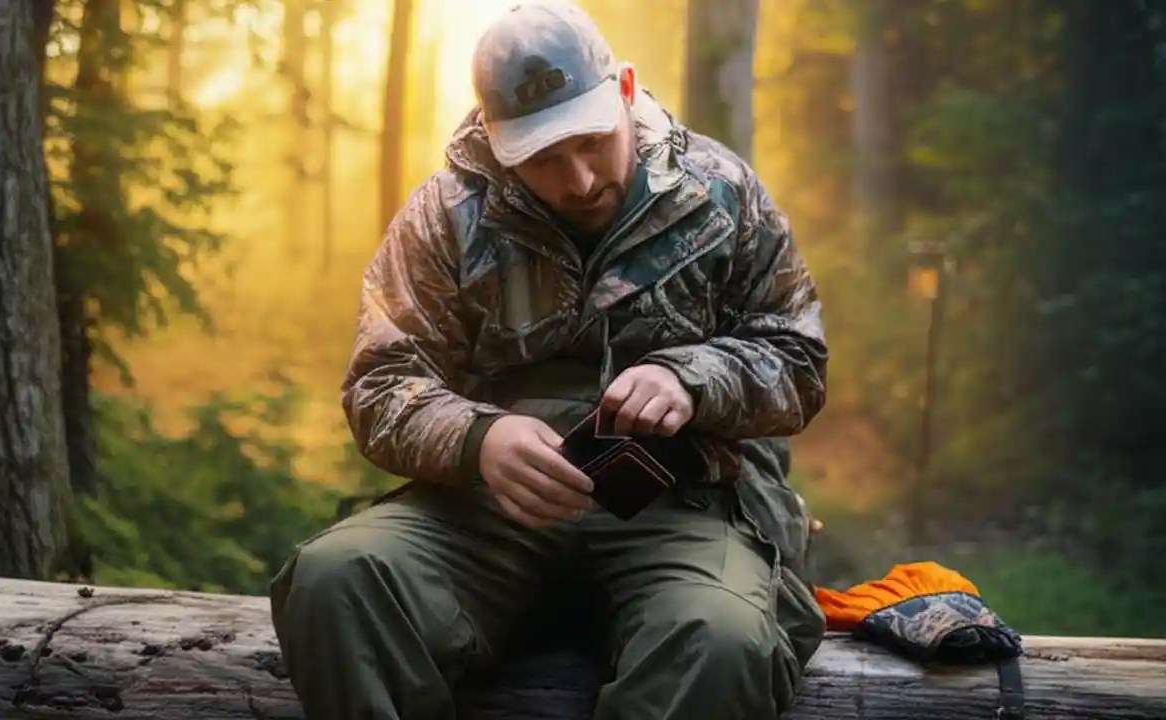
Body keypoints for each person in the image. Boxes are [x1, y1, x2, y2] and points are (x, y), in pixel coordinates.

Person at [269, 1, 829, 717]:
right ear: (498, 142)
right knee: (335, 580)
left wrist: (691, 378)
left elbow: (798, 357)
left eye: (593, 141)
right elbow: (380, 384)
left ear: (624, 90)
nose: (579, 179)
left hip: (681, 507)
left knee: (719, 640)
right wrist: (479, 438)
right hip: (483, 514)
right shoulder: (446, 215)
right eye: (542, 159)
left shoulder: (721, 196)